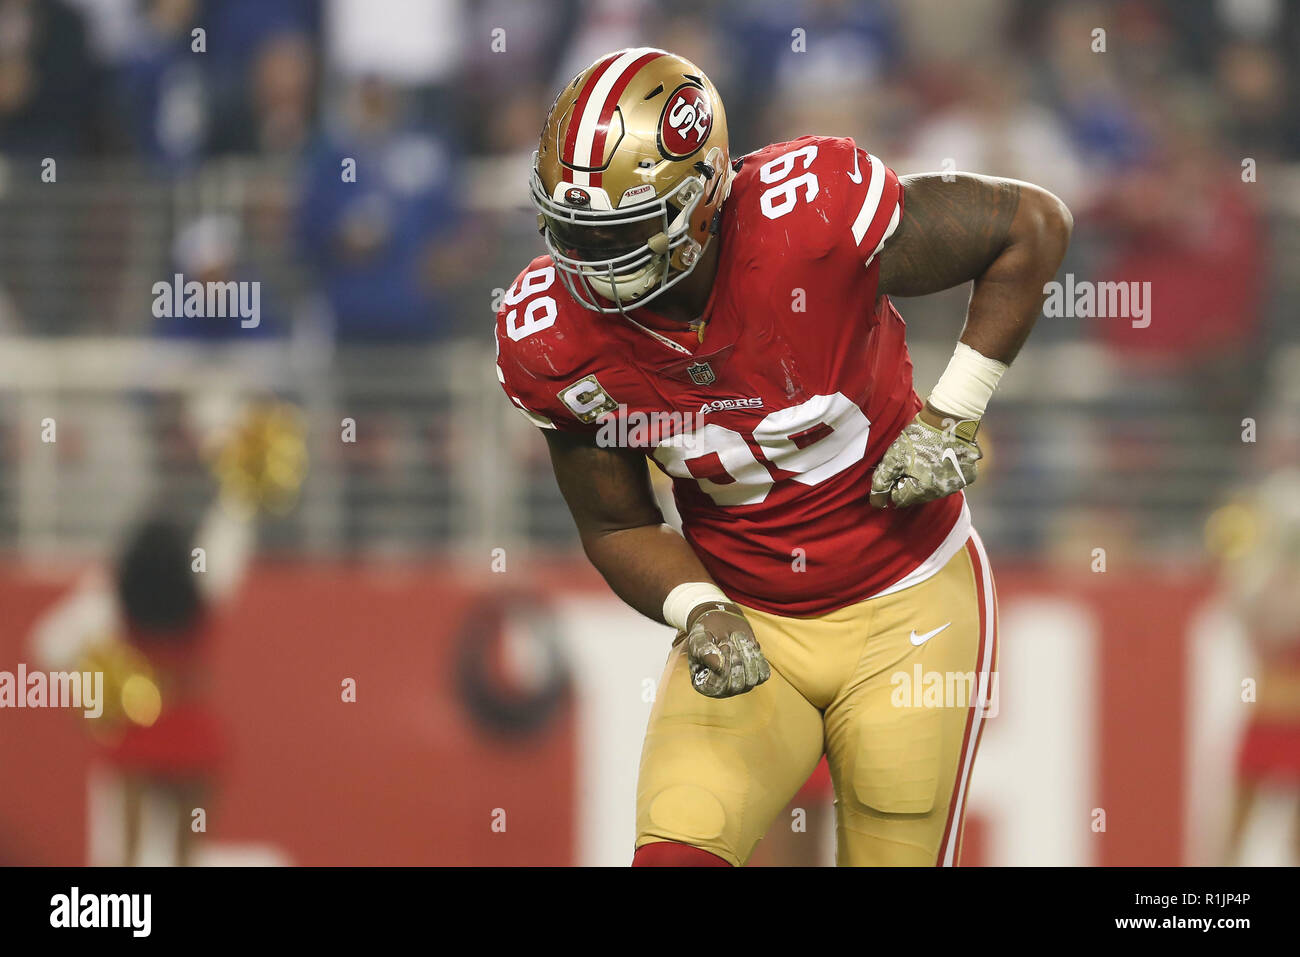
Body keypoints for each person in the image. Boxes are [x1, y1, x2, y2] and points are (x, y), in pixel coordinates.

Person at [494, 48, 1071, 866]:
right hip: (751, 615)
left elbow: (1032, 228)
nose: (587, 260)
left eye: (617, 231)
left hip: (908, 604)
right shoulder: (550, 335)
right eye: (571, 228)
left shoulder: (808, 221)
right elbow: (618, 523)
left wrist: (953, 414)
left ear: (699, 201)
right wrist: (698, 608)